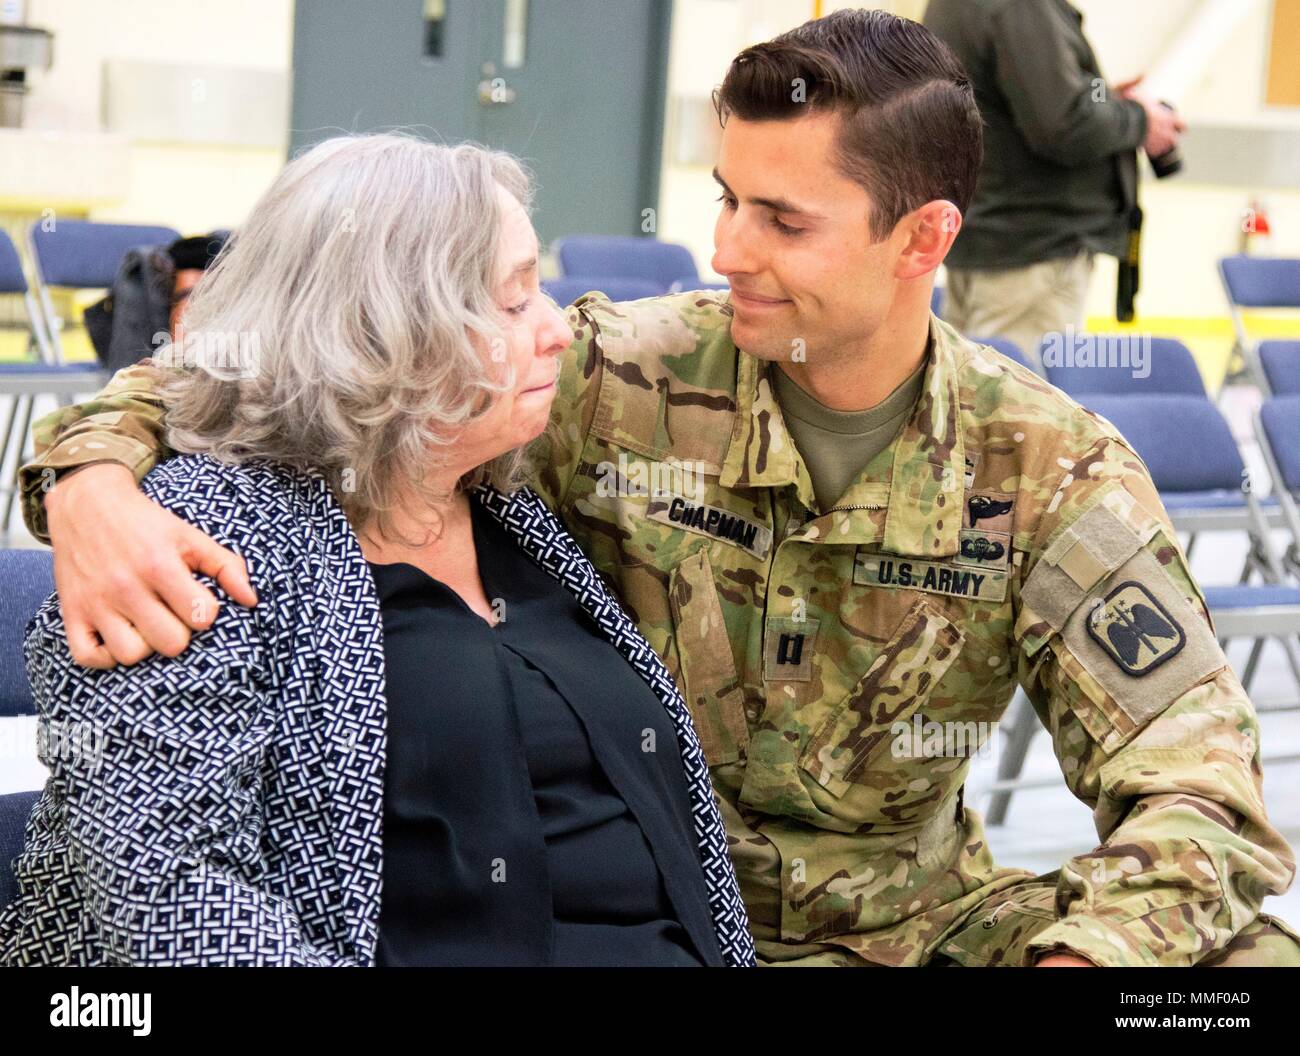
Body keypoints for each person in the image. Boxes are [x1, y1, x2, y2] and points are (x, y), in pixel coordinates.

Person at [15, 11, 1298, 967]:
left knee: (1235, 976)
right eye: (727, 199)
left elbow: (1198, 785)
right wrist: (88, 480)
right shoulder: (618, 374)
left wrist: (1091, 962)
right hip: (673, 904)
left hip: (919, 926)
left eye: (784, 222)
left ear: (923, 240)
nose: (729, 249)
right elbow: (298, 370)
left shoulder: (1044, 463)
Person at [0, 134, 753, 967]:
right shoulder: (189, 544)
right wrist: (88, 477)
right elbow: (171, 898)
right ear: (381, 335)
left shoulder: (514, 507)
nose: (560, 332)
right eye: (513, 303)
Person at [924, 0, 1185, 365]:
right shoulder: (1023, 7)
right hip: (1033, 252)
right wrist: (1141, 120)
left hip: (984, 240)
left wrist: (1105, 101)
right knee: (1014, 410)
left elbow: (1044, 104)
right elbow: (1063, 126)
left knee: (966, 399)